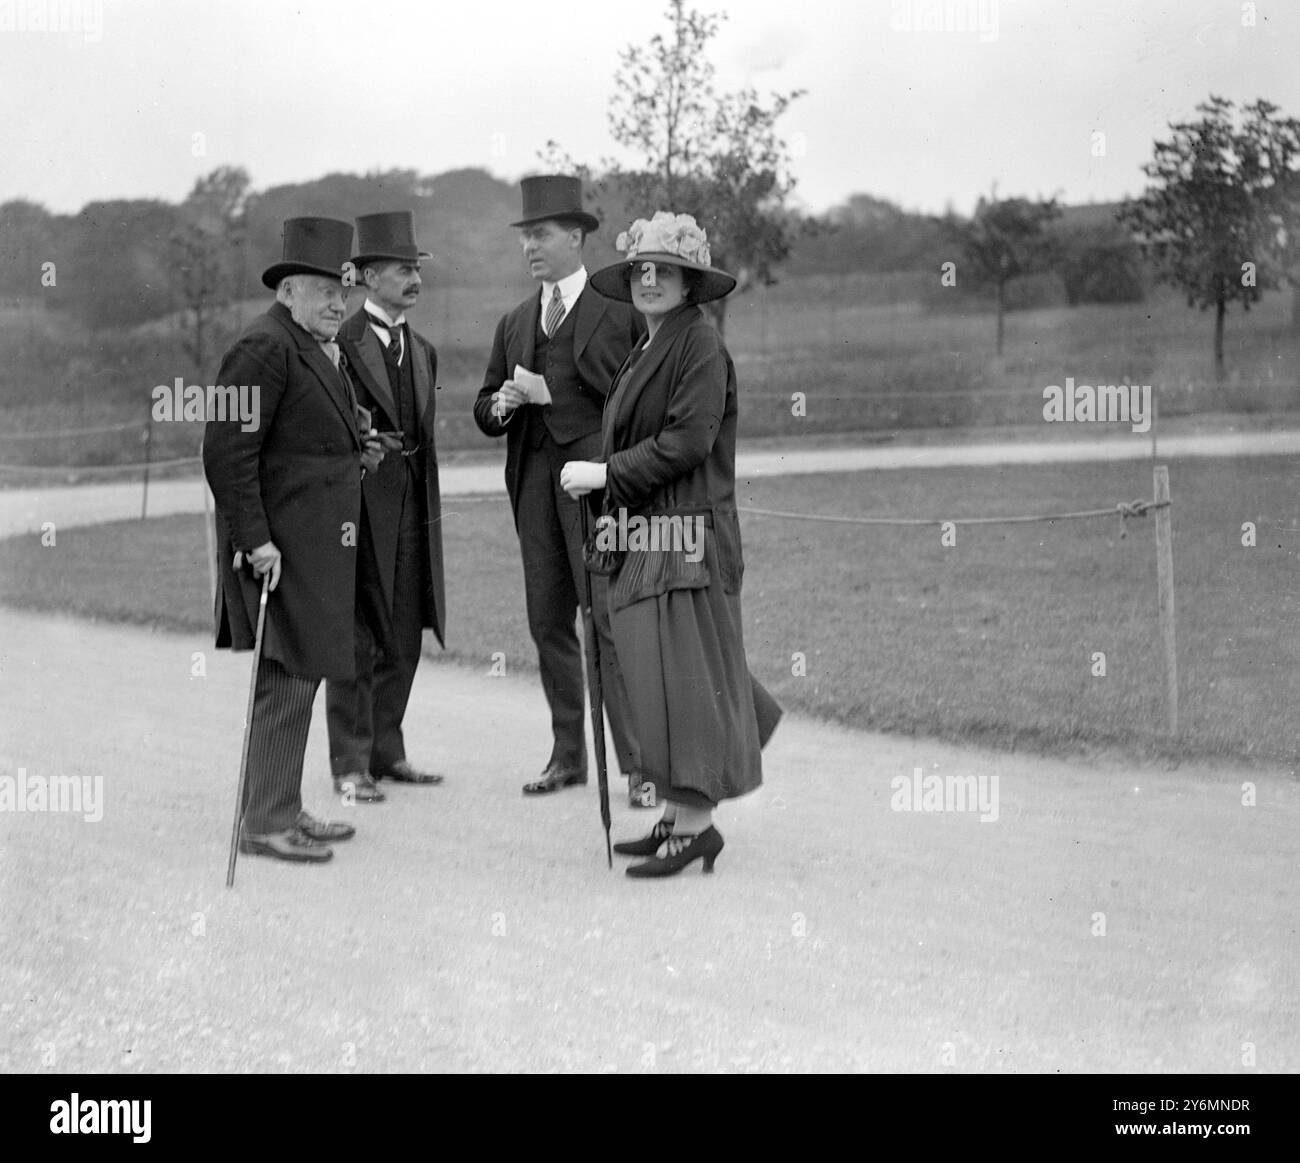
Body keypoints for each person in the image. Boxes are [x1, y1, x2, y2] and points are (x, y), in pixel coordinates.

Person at [561, 211, 782, 877]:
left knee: (682, 679)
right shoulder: (651, 344)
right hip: (650, 534)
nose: (650, 279)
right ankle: (676, 816)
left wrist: (606, 473)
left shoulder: (701, 346)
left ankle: (698, 826)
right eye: (641, 270)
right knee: (661, 676)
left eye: (665, 270)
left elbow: (689, 442)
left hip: (688, 538)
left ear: (690, 283)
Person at [204, 217, 385, 864]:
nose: (340, 302)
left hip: (314, 549)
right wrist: (255, 541)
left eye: (346, 291)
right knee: (284, 681)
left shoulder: (311, 344)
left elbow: (304, 442)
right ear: (287, 290)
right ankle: (264, 821)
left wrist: (354, 451)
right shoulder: (264, 347)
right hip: (278, 551)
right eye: (324, 289)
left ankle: (281, 806)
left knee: (302, 677)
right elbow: (227, 453)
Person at [473, 175, 647, 802]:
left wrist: (557, 398)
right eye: (525, 237)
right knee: (547, 622)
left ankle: (637, 767)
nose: (530, 248)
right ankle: (568, 755)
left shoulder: (621, 312)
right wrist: (502, 404)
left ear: (576, 237)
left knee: (607, 621)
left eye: (541, 235)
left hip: (600, 494)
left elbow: (638, 408)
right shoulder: (516, 321)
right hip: (533, 494)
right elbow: (484, 407)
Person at [326, 211, 447, 804]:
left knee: (404, 634)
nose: (414, 278)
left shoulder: (422, 350)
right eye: (403, 269)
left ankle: (386, 751)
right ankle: (349, 766)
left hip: (413, 514)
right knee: (357, 638)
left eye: (416, 269)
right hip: (359, 512)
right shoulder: (340, 346)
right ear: (369, 277)